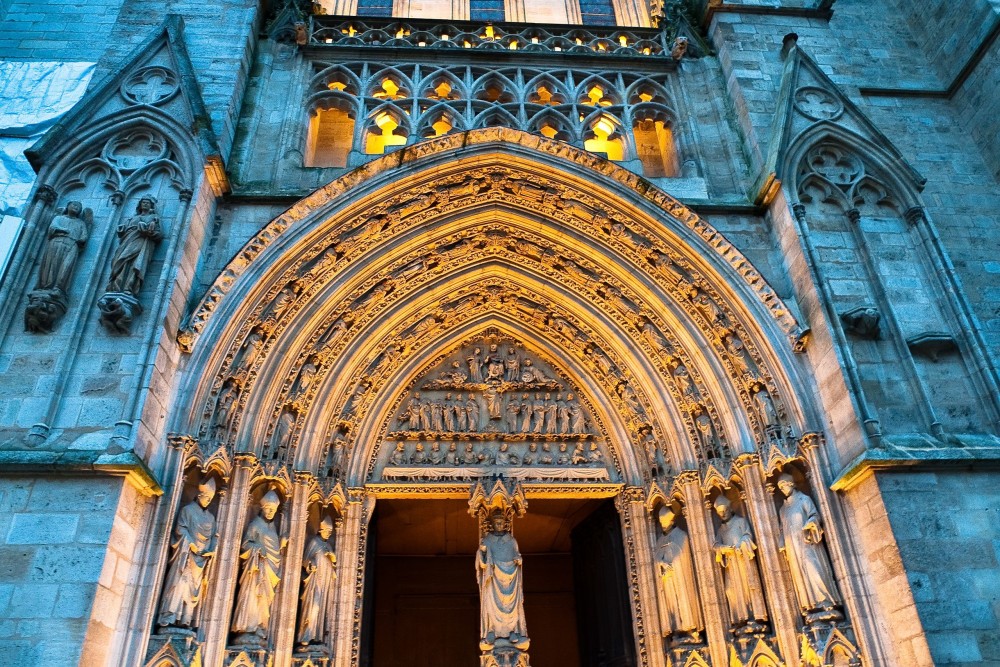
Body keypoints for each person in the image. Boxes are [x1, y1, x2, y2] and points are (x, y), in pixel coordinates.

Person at [776, 474, 842, 619]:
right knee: (800, 575)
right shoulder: (783, 509)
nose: (782, 489)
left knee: (814, 570)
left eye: (784, 485)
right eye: (780, 487)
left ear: (792, 484)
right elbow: (782, 529)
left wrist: (811, 523)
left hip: (807, 543)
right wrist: (782, 544)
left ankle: (826, 602)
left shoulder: (803, 499)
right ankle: (810, 605)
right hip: (792, 547)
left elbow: (814, 515)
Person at [157, 477, 218, 628]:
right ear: (199, 495)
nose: (208, 501)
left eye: (211, 499)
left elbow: (215, 536)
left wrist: (211, 550)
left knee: (194, 590)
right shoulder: (188, 510)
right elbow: (180, 529)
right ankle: (170, 616)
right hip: (186, 554)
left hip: (201, 560)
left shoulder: (210, 518)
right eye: (206, 497)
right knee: (179, 584)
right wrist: (190, 543)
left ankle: (186, 619)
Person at [232, 490, 285, 642]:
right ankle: (248, 628)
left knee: (263, 602)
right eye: (268, 509)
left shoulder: (272, 528)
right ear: (262, 508)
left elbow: (273, 550)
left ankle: (260, 628)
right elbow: (246, 544)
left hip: (269, 572)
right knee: (252, 597)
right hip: (255, 570)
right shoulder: (256, 525)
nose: (270, 512)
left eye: (273, 510)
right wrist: (257, 549)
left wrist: (280, 545)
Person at [712, 496, 768, 629]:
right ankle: (740, 618)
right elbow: (715, 545)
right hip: (731, 565)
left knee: (747, 587)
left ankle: (755, 617)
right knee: (731, 590)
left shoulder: (740, 522)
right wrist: (722, 548)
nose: (723, 514)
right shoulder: (721, 530)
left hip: (743, 562)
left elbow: (748, 535)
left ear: (730, 509)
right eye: (720, 512)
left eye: (724, 510)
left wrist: (742, 544)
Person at [476, 512, 529, 651]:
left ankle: (512, 631)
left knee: (510, 606)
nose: (499, 525)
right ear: (492, 525)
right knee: (492, 604)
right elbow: (482, 564)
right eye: (496, 523)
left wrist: (519, 560)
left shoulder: (511, 541)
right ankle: (492, 631)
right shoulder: (487, 540)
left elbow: (517, 556)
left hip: (510, 579)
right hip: (493, 579)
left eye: (501, 522)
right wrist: (482, 552)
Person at [654, 506, 703, 643]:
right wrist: (661, 564)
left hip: (679, 577)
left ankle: (688, 629)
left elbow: (681, 555)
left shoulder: (681, 535)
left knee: (682, 599)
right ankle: (676, 629)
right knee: (671, 603)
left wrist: (672, 564)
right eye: (661, 522)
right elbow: (656, 558)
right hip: (666, 578)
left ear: (672, 521)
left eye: (665, 522)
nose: (663, 525)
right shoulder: (659, 540)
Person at [106, 196, 163, 295]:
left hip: (141, 242)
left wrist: (147, 231)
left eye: (147, 203)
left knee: (135, 264)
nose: (145, 204)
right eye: (143, 202)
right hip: (127, 241)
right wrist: (121, 230)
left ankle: (129, 287)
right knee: (121, 261)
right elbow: (125, 232)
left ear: (151, 206)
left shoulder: (153, 218)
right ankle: (115, 286)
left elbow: (159, 234)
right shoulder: (132, 218)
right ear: (140, 205)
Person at [297, 517, 337, 646]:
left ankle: (317, 637)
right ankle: (306, 637)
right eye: (326, 530)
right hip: (314, 583)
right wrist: (311, 564)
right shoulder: (315, 542)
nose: (328, 533)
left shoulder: (328, 546)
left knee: (321, 610)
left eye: (330, 531)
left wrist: (332, 558)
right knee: (313, 607)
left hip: (325, 583)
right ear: (320, 529)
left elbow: (333, 566)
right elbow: (305, 560)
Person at [36, 201, 90, 294]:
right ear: (67, 206)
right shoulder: (59, 218)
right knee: (52, 263)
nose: (76, 207)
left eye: (79, 207)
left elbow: (84, 235)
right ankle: (46, 286)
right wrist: (63, 229)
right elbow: (53, 227)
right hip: (56, 242)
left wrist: (81, 239)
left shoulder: (81, 223)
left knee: (66, 266)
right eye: (74, 205)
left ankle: (59, 287)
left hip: (72, 245)